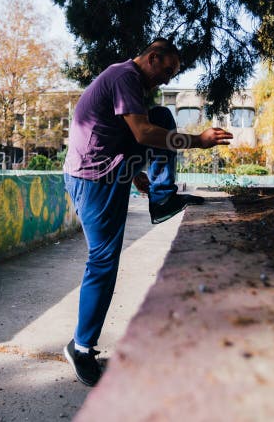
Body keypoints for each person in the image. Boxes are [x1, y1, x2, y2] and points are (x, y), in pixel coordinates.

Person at [62, 38, 233, 386]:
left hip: (110, 170)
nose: (167, 79)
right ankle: (80, 347)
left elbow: (118, 132)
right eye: (167, 70)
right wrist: (197, 141)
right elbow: (141, 133)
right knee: (103, 260)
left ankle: (162, 195)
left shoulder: (130, 82)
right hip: (94, 178)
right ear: (152, 57)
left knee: (162, 116)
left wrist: (137, 171)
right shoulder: (125, 76)